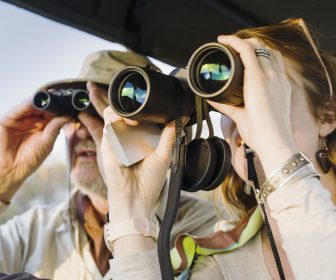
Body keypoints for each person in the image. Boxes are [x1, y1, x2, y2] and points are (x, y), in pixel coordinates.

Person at [100, 18, 336, 279]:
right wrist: (130, 205)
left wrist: (275, 144)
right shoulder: (218, 264)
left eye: (268, 91)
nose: (248, 114)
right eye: (230, 99)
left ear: (327, 116)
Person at [0, 50, 218, 279]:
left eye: (102, 112)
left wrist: (130, 202)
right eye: (73, 114)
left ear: (157, 129)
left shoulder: (206, 228)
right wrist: (4, 178)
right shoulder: (32, 231)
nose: (83, 129)